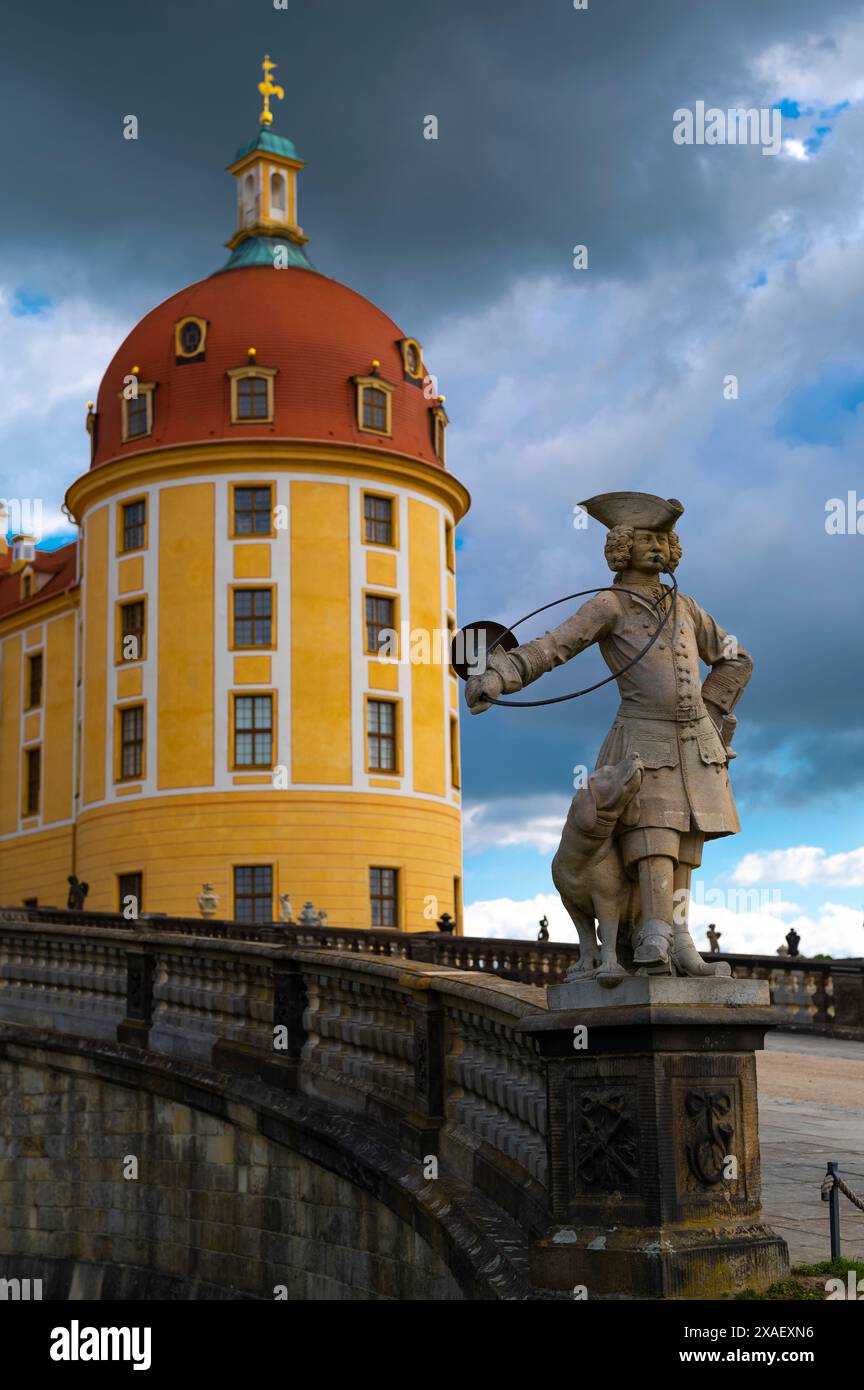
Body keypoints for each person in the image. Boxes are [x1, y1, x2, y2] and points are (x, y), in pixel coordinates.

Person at [466, 492, 752, 977]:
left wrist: (709, 710)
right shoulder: (609, 604)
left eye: (663, 539)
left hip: (695, 741)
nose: (657, 547)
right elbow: (555, 645)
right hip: (644, 735)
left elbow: (736, 658)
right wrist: (501, 674)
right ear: (622, 545)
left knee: (687, 841)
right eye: (646, 538)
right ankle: (654, 933)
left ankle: (681, 938)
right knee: (655, 833)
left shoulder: (687, 607)